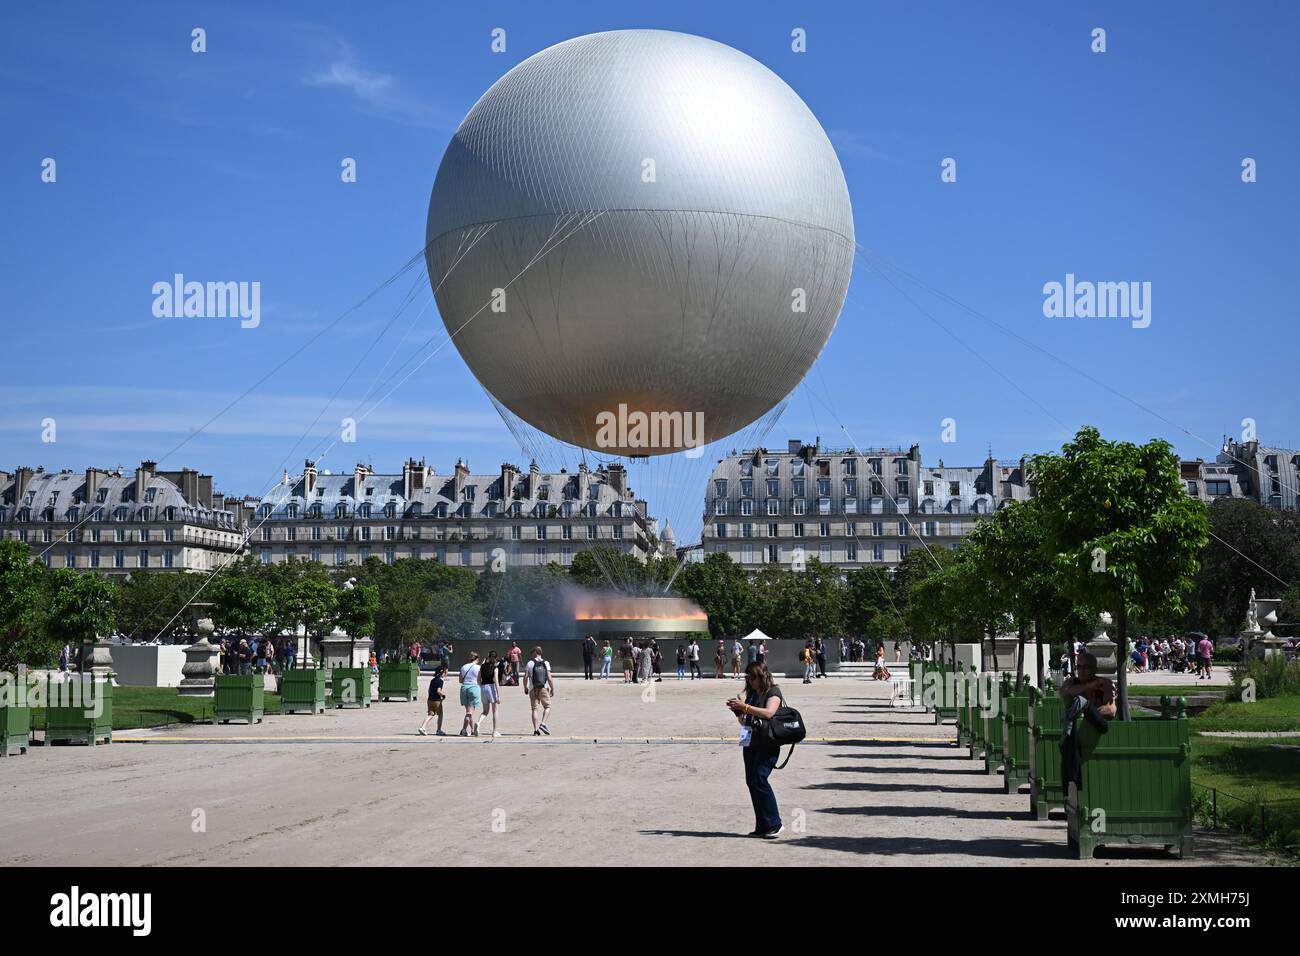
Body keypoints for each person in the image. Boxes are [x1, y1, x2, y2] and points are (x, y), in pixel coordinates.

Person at [726, 662, 785, 839]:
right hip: (750, 743)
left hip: (768, 744)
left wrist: (745, 707)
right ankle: (763, 825)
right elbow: (747, 723)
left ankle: (775, 823)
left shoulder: (773, 692)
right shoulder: (752, 695)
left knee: (759, 779)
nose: (749, 681)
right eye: (747, 677)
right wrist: (738, 712)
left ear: (761, 676)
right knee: (751, 782)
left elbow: (769, 713)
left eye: (752, 677)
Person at [1059, 652, 1116, 719]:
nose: (1081, 671)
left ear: (1094, 670)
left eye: (1086, 667)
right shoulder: (1072, 681)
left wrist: (1083, 714)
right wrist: (1088, 686)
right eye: (1079, 667)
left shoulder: (1104, 683)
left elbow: (1110, 710)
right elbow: (1063, 692)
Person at [525, 647, 554, 735]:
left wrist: (525, 687)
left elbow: (525, 677)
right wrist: (552, 688)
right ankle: (543, 723)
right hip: (543, 687)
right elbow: (549, 678)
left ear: (535, 653)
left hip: (532, 688)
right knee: (547, 706)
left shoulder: (530, 663)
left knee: (534, 709)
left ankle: (536, 730)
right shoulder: (546, 663)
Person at [478, 651, 502, 737]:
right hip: (491, 687)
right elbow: (496, 682)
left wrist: (481, 686)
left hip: (483, 687)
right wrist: (498, 695)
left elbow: (478, 680)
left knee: (485, 711)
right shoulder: (495, 668)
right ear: (495, 658)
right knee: (495, 710)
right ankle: (495, 731)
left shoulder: (482, 666)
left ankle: (478, 723)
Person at [418, 666, 447, 736]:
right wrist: (443, 695)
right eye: (444, 672)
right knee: (440, 714)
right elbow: (438, 691)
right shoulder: (440, 681)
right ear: (441, 673)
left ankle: (423, 727)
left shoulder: (432, 680)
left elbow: (429, 690)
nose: (445, 674)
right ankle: (438, 730)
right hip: (437, 700)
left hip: (430, 700)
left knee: (430, 714)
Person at [459, 653, 482, 736]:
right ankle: (464, 729)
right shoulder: (478, 668)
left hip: (464, 688)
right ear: (477, 659)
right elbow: (480, 680)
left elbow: (460, 680)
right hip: (474, 687)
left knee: (468, 711)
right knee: (470, 712)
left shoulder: (464, 667)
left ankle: (472, 729)